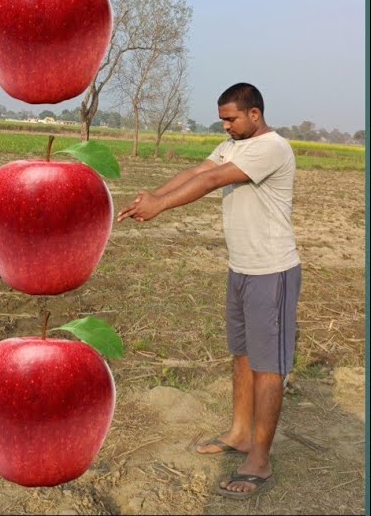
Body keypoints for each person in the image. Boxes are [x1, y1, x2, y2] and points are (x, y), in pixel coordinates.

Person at [117, 83, 299, 499]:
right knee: (244, 355)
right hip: (241, 268)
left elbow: (214, 180)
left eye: (232, 118)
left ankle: (260, 460)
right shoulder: (232, 144)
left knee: (268, 367)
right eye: (223, 119)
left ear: (255, 114)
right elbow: (198, 171)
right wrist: (155, 194)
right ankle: (239, 434)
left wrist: (161, 207)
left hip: (272, 271)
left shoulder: (272, 148)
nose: (226, 126)